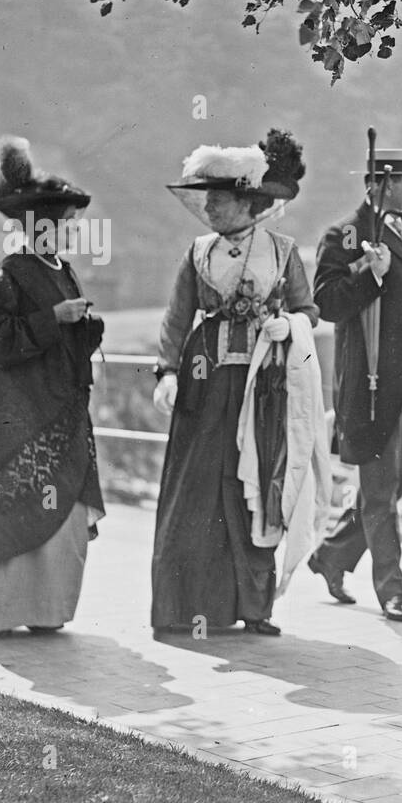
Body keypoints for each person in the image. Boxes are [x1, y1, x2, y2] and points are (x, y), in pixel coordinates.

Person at [151, 129, 319, 636]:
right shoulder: (198, 252)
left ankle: (254, 607)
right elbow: (177, 319)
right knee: (196, 489)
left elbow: (308, 308)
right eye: (207, 201)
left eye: (220, 201)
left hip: (263, 386)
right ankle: (185, 609)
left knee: (254, 488)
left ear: (249, 202)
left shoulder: (283, 251)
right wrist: (167, 372)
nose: (211, 210)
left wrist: (288, 325)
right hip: (204, 387)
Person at [308, 147, 402, 623]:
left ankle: (331, 555)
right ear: (383, 182)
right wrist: (373, 276)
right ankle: (393, 590)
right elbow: (326, 304)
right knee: (379, 490)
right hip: (374, 386)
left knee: (392, 485)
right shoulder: (345, 235)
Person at [0, 138, 105, 637]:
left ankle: (47, 611)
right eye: (53, 223)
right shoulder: (11, 273)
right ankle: (0, 615)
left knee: (62, 513)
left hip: (60, 409)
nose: (62, 231)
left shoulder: (62, 271)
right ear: (30, 227)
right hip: (19, 415)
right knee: (17, 506)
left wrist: (85, 325)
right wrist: (53, 318)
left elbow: (68, 340)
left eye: (65, 223)